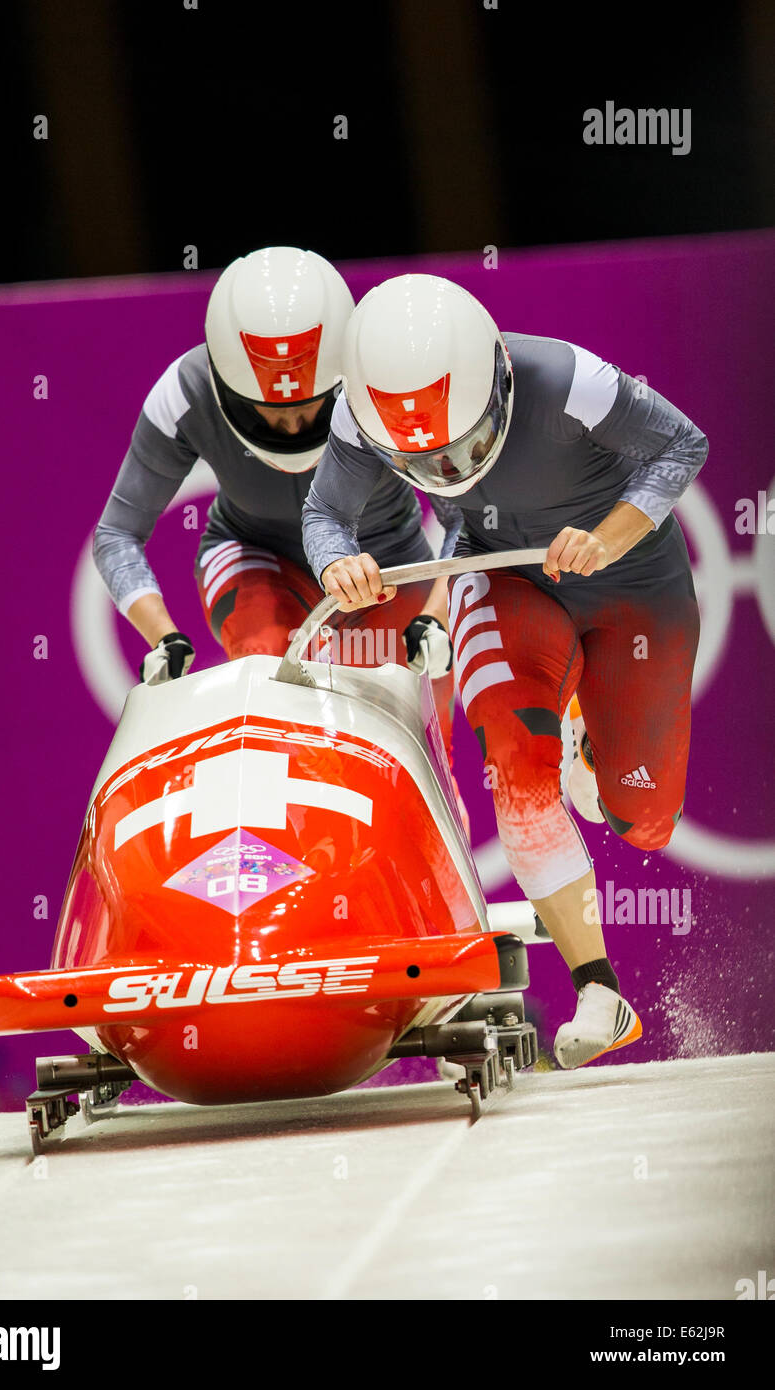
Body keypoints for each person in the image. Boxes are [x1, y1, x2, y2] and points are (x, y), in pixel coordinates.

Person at [302, 272, 707, 1069]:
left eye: (465, 443)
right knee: (517, 767)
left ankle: (589, 737)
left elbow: (681, 443)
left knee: (645, 821)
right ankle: (600, 988)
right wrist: (336, 563)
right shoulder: (356, 413)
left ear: (496, 384)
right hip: (502, 573)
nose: (451, 467)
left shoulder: (567, 379)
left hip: (630, 584)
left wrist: (610, 536)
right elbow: (324, 515)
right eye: (424, 458)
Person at [92, 247, 460, 770]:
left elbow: (464, 518)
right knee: (274, 673)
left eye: (311, 405)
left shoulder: (387, 381)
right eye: (270, 411)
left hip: (388, 567)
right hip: (254, 555)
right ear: (225, 383)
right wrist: (163, 635)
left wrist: (436, 617)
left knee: (419, 752)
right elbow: (116, 533)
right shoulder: (183, 393)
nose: (292, 427)